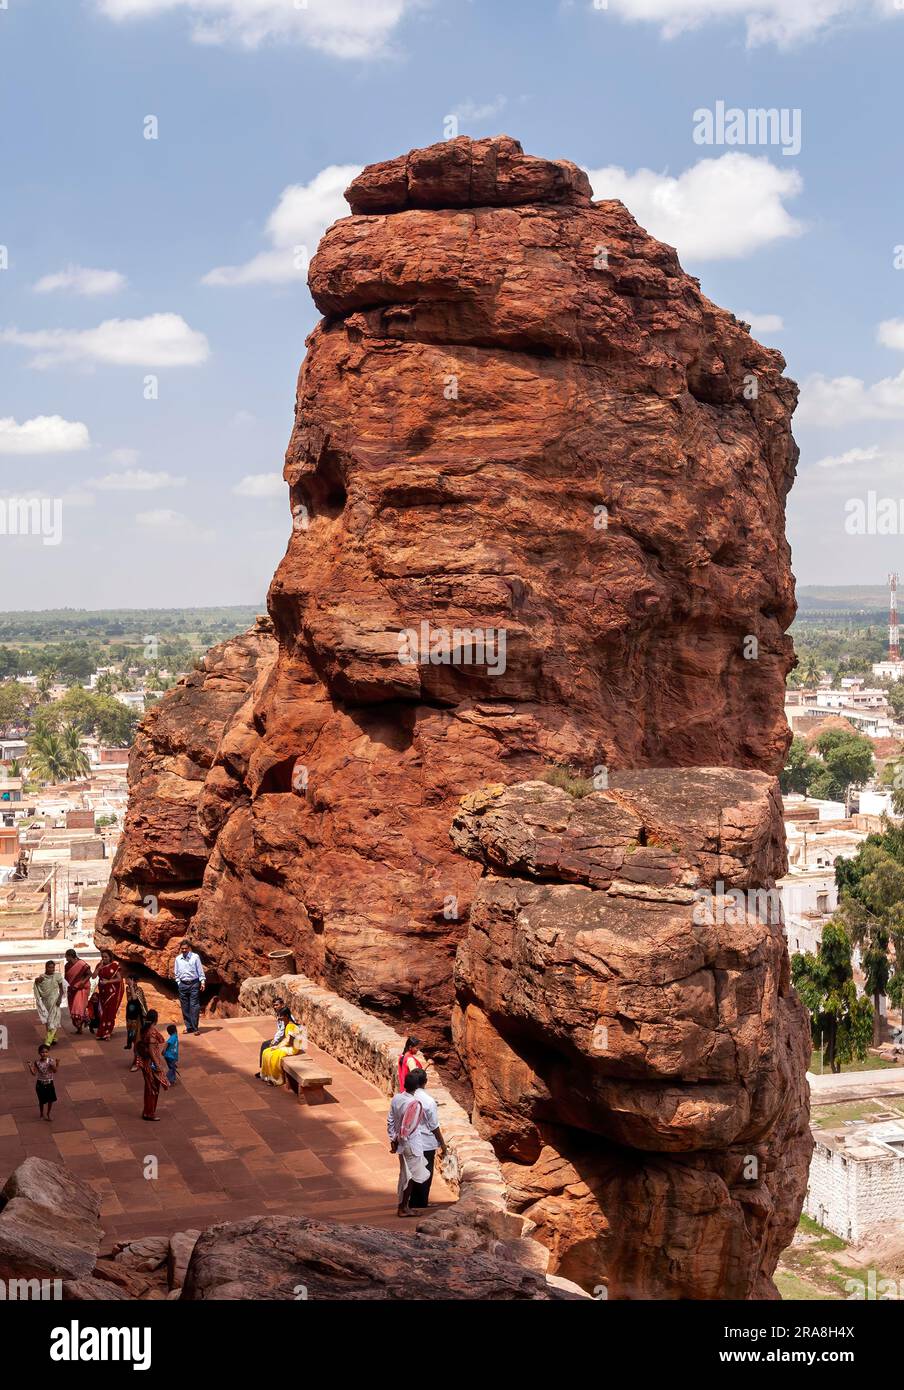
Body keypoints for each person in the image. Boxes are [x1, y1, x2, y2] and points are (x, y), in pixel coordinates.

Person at [387, 1068, 447, 1216]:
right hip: (411, 1144)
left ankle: (403, 1205)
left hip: (402, 1143)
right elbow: (408, 1126)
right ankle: (404, 1208)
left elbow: (391, 1120)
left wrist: (393, 1139)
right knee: (411, 1176)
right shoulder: (415, 1104)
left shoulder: (397, 1098)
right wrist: (442, 1143)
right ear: (420, 1085)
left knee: (405, 1175)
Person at [134, 1009, 170, 1120]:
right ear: (156, 1019)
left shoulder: (144, 1030)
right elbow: (151, 1050)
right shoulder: (152, 1033)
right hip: (151, 1064)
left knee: (149, 1088)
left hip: (145, 1062)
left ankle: (148, 1111)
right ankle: (149, 1113)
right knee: (153, 1089)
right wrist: (157, 1065)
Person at [259, 1008, 305, 1084]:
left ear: (286, 1016)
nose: (279, 1017)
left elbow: (290, 1042)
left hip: (292, 1048)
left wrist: (278, 1047)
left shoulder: (291, 1026)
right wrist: (278, 1046)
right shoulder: (286, 1024)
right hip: (288, 1045)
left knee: (273, 1056)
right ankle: (267, 1075)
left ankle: (276, 1078)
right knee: (266, 1052)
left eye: (281, 1016)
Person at [173, 940, 205, 1035]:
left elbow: (200, 970)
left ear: (189, 948)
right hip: (183, 985)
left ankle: (195, 1028)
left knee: (194, 1006)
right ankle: (189, 1027)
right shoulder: (178, 959)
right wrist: (179, 982)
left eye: (185, 948)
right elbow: (176, 972)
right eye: (182, 949)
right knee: (185, 1006)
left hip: (194, 984)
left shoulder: (195, 957)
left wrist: (202, 982)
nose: (184, 950)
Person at [92, 950, 124, 1041]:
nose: (104, 958)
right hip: (102, 992)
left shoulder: (114, 966)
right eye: (102, 957)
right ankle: (101, 1032)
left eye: (106, 957)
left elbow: (119, 979)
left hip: (112, 992)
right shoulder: (99, 965)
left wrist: (108, 982)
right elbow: (93, 976)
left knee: (110, 1012)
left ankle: (107, 1032)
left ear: (110, 957)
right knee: (102, 1012)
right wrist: (99, 968)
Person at [256, 999, 292, 1073]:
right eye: (274, 1005)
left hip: (286, 1041)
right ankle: (263, 1069)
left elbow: (282, 1032)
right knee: (265, 1045)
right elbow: (279, 1030)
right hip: (282, 1039)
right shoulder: (279, 1014)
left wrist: (275, 1041)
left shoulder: (286, 1017)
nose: (275, 1007)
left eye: (277, 1005)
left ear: (282, 1005)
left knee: (267, 1048)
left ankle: (267, 1070)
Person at [33, 960, 63, 1047]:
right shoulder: (42, 977)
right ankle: (54, 1038)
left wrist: (60, 999)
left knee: (53, 1019)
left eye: (53, 967)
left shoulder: (57, 976)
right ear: (46, 967)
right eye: (50, 967)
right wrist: (37, 981)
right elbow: (37, 985)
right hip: (45, 1001)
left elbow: (61, 989)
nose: (52, 969)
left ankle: (48, 1042)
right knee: (48, 1020)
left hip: (54, 1000)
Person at [64, 949, 92, 1034]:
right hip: (72, 989)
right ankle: (79, 1028)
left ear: (70, 956)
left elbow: (89, 974)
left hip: (81, 989)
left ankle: (85, 1020)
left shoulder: (81, 964)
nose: (65, 958)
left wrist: (82, 982)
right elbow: (67, 977)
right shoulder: (67, 965)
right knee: (72, 1008)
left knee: (78, 1008)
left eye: (66, 956)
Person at [28, 1044, 58, 1121]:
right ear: (39, 1053)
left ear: (48, 1052)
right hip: (40, 1084)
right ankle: (41, 1113)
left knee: (50, 1100)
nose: (44, 1054)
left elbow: (55, 1071)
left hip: (49, 1083)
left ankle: (48, 1113)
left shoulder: (51, 1061)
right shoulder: (37, 1062)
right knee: (41, 1101)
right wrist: (30, 1067)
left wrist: (56, 1064)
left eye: (46, 1052)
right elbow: (34, 1073)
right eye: (42, 1052)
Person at [124, 976, 149, 1058]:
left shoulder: (139, 989)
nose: (126, 980)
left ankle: (138, 1054)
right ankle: (130, 1043)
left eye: (128, 979)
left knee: (138, 1034)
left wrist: (132, 987)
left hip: (138, 1015)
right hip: (130, 1013)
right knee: (130, 1030)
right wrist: (131, 989)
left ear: (133, 981)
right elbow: (129, 999)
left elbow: (134, 998)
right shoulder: (127, 988)